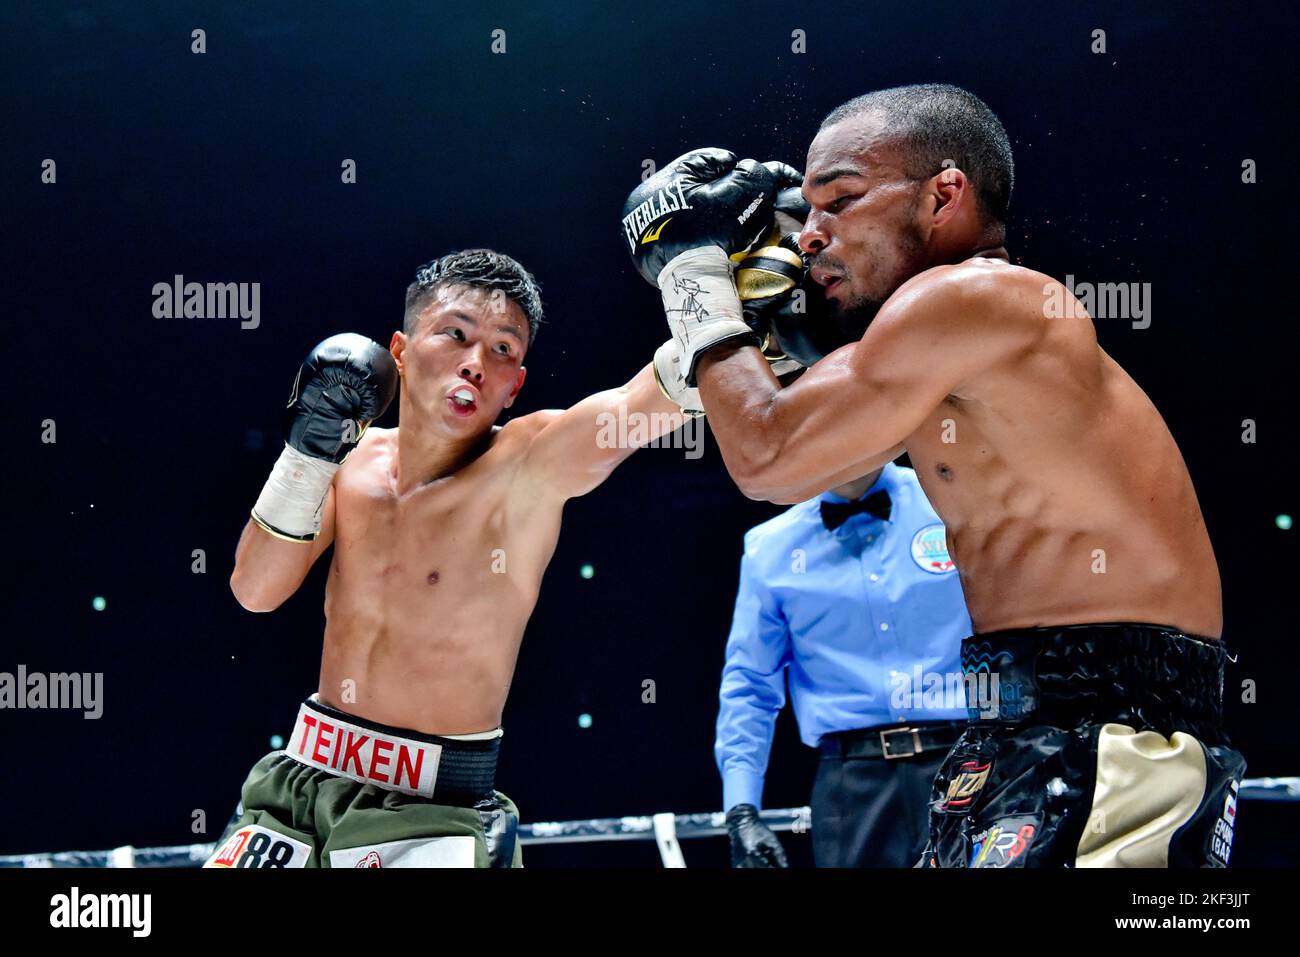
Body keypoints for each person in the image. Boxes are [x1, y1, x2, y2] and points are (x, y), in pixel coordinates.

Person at [624, 84, 1245, 868]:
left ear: (944, 194)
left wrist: (695, 275)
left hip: (1113, 733)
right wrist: (771, 311)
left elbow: (767, 457)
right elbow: (809, 450)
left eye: (840, 201)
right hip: (1015, 728)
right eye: (803, 212)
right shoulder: (943, 351)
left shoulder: (977, 296)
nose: (811, 236)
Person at [209, 249, 687, 868]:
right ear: (401, 351)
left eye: (502, 351)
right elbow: (255, 589)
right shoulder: (350, 461)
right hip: (298, 783)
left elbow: (636, 406)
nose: (475, 364)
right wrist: (308, 451)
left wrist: (726, 303)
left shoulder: (527, 465)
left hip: (432, 807)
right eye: (455, 335)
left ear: (516, 385)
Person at [717, 462, 971, 867]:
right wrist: (741, 809)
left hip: (967, 760)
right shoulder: (770, 550)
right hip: (850, 784)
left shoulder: (955, 504)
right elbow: (749, 685)